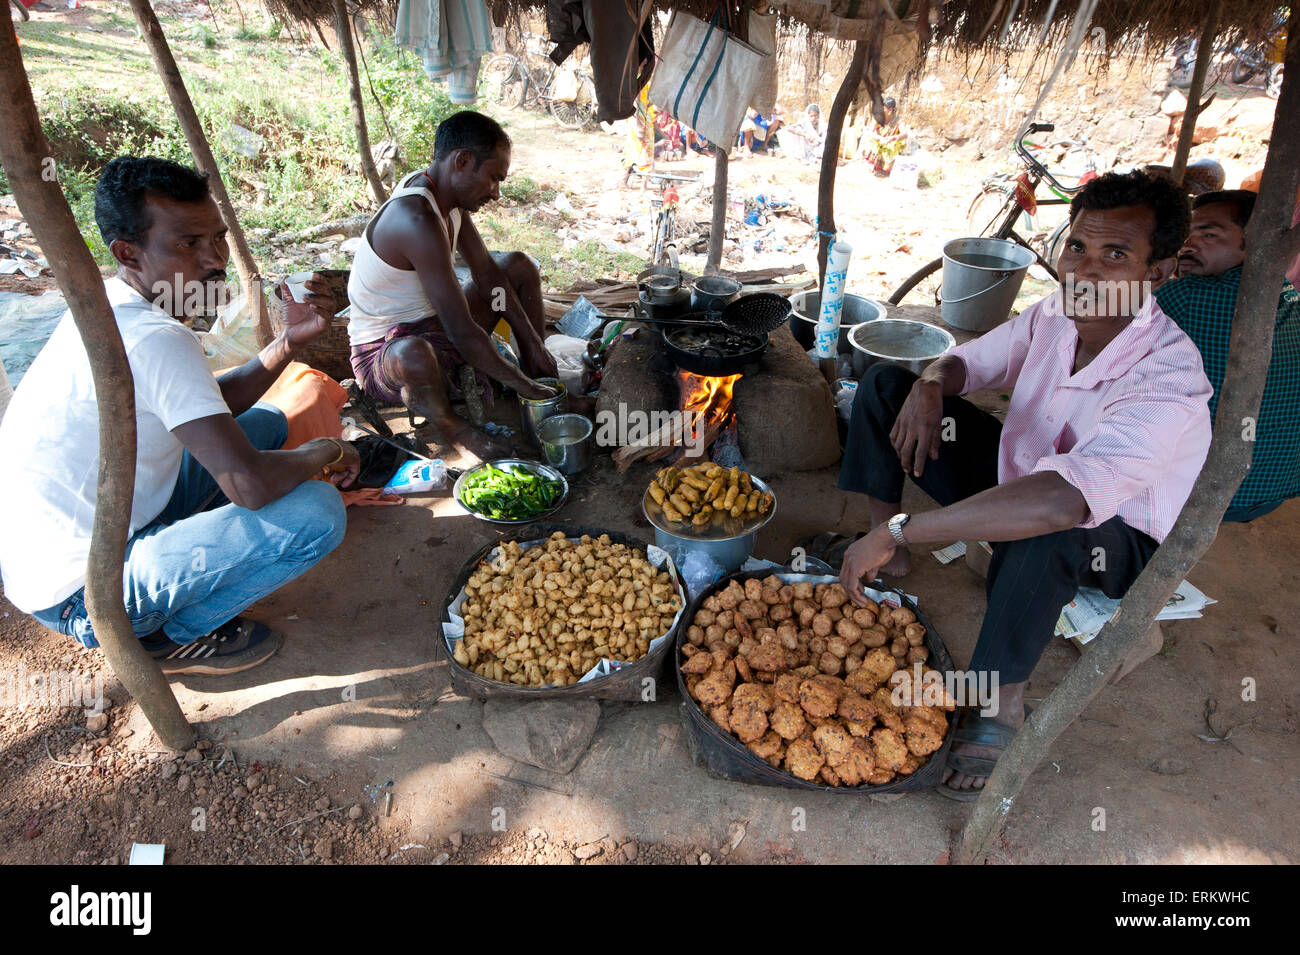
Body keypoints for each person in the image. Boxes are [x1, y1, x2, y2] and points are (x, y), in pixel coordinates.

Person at [834, 171, 1211, 799]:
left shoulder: (1168, 379)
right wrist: (930, 383)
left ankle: (1000, 699)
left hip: (1110, 537)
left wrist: (912, 526)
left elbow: (1066, 498)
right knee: (884, 388)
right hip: (1022, 479)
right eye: (1077, 249)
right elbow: (971, 362)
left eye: (1115, 256)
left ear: (1160, 272)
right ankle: (888, 551)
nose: (1085, 273)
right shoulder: (1055, 315)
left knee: (1054, 529)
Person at [0, 157, 355, 674]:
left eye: (216, 238)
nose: (214, 260)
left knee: (264, 425)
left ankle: (165, 588)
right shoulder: (155, 336)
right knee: (317, 512)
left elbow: (204, 406)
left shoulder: (111, 303)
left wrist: (289, 342)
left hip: (85, 537)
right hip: (85, 591)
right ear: (129, 252)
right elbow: (250, 486)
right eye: (187, 244)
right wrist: (327, 449)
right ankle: (167, 636)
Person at [346, 111, 558, 464]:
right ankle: (454, 428)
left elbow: (489, 277)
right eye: (493, 179)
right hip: (384, 356)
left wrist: (532, 343)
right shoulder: (417, 219)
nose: (497, 193)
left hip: (434, 328)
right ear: (462, 161)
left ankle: (534, 376)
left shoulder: (448, 197)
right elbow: (462, 331)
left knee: (517, 268)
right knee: (415, 355)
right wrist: (526, 386)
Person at [1154, 189, 1300, 522]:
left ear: (1253, 241)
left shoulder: (1187, 298)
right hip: (1272, 491)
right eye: (1187, 234)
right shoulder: (1290, 297)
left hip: (1205, 496)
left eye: (1209, 234)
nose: (1188, 244)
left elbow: (1094, 308)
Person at [861, 96, 909, 175]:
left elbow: (905, 134)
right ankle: (873, 165)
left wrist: (892, 138)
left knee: (893, 147)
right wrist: (880, 138)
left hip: (890, 144)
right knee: (868, 140)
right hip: (878, 142)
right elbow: (870, 132)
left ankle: (886, 168)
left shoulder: (898, 120)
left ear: (890, 110)